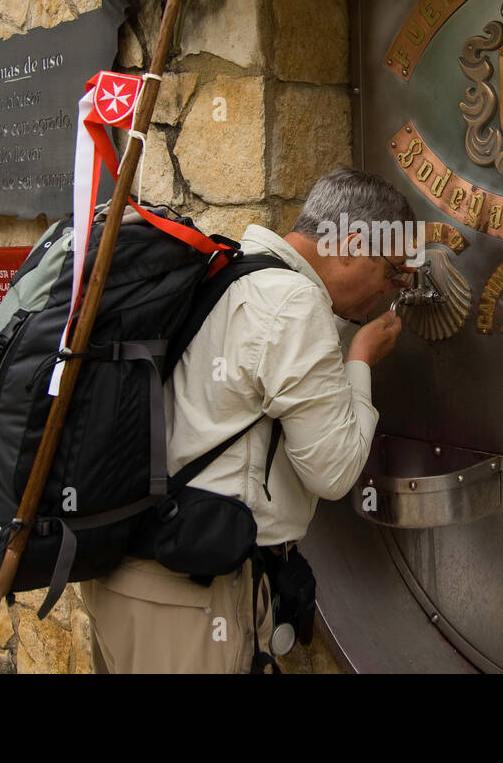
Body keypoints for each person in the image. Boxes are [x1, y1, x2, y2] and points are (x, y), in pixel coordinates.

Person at [79, 167, 415, 673]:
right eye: (390, 271)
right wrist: (361, 359)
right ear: (349, 246)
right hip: (188, 599)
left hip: (129, 580)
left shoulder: (232, 270)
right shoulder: (293, 305)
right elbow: (335, 472)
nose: (390, 289)